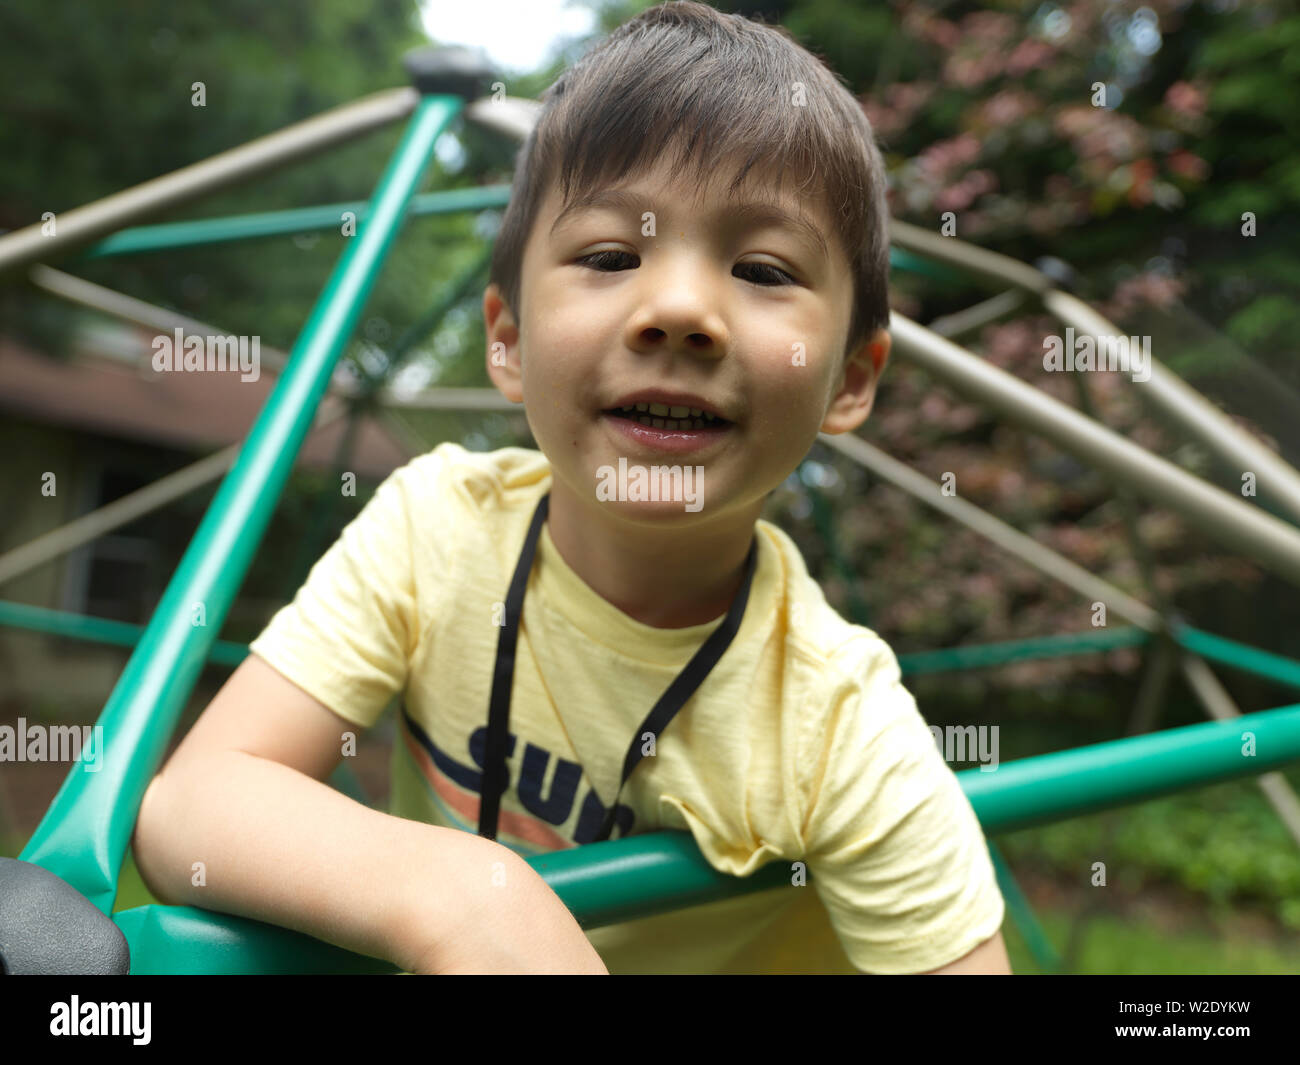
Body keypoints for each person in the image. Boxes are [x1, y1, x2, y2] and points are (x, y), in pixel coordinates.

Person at [133, 0, 1010, 975]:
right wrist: (463, 900)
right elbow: (191, 806)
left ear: (848, 379)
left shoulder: (839, 724)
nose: (678, 310)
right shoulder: (437, 530)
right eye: (608, 257)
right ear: (504, 340)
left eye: (762, 269)